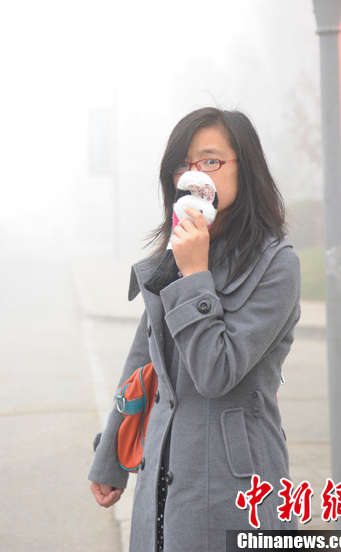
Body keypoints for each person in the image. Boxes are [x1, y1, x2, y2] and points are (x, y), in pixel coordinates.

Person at [87, 107, 301, 551]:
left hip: (234, 490)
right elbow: (144, 364)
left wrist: (195, 275)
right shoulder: (178, 253)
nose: (193, 175)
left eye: (209, 161)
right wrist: (111, 457)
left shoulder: (277, 264)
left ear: (247, 170)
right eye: (182, 165)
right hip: (161, 475)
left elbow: (216, 373)